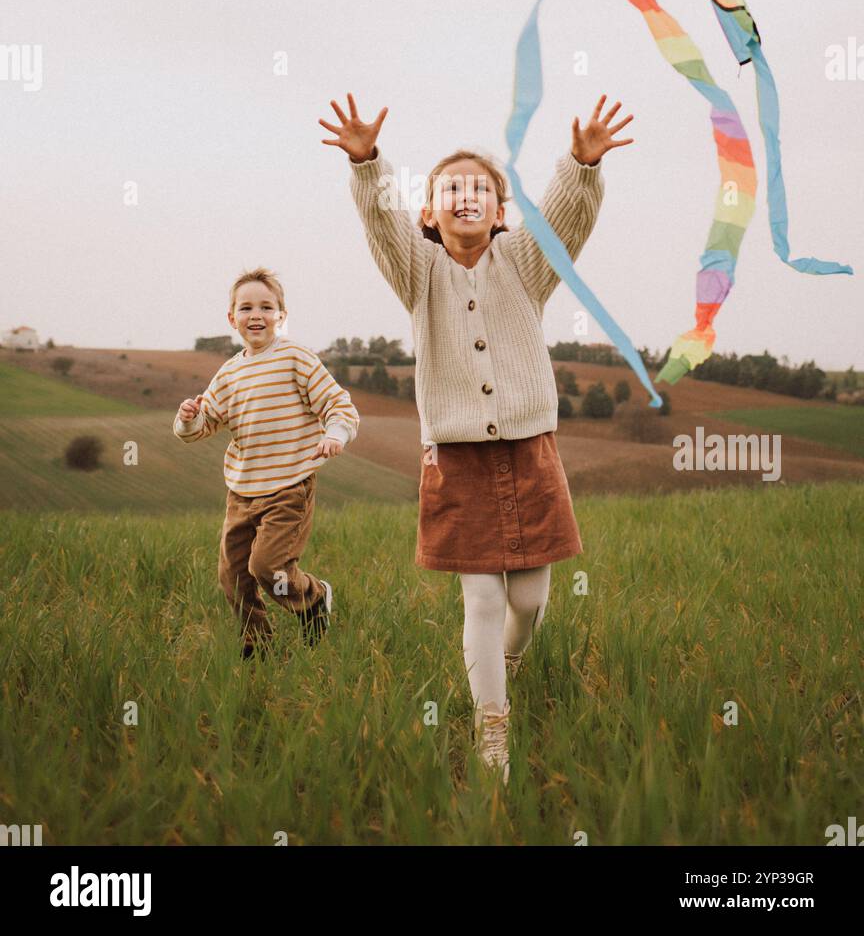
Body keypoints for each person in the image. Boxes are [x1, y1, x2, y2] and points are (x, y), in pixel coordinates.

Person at [320, 92, 633, 783]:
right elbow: (382, 222)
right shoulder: (418, 271)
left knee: (530, 601)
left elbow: (564, 222)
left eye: (480, 188)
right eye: (450, 188)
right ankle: (494, 727)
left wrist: (580, 167)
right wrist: (368, 163)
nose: (465, 195)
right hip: (457, 456)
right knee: (484, 601)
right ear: (429, 212)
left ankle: (510, 662)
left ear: (499, 211)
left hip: (530, 450)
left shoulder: (525, 263)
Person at [174, 267, 359, 656]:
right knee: (233, 575)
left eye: (266, 307)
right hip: (241, 491)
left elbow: (338, 404)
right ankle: (256, 647)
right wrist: (188, 418)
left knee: (268, 567)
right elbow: (202, 426)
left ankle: (312, 598)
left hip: (290, 486)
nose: (256, 314)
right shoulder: (229, 374)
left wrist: (334, 434)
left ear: (281, 315)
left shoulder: (296, 357)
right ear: (232, 319)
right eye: (246, 307)